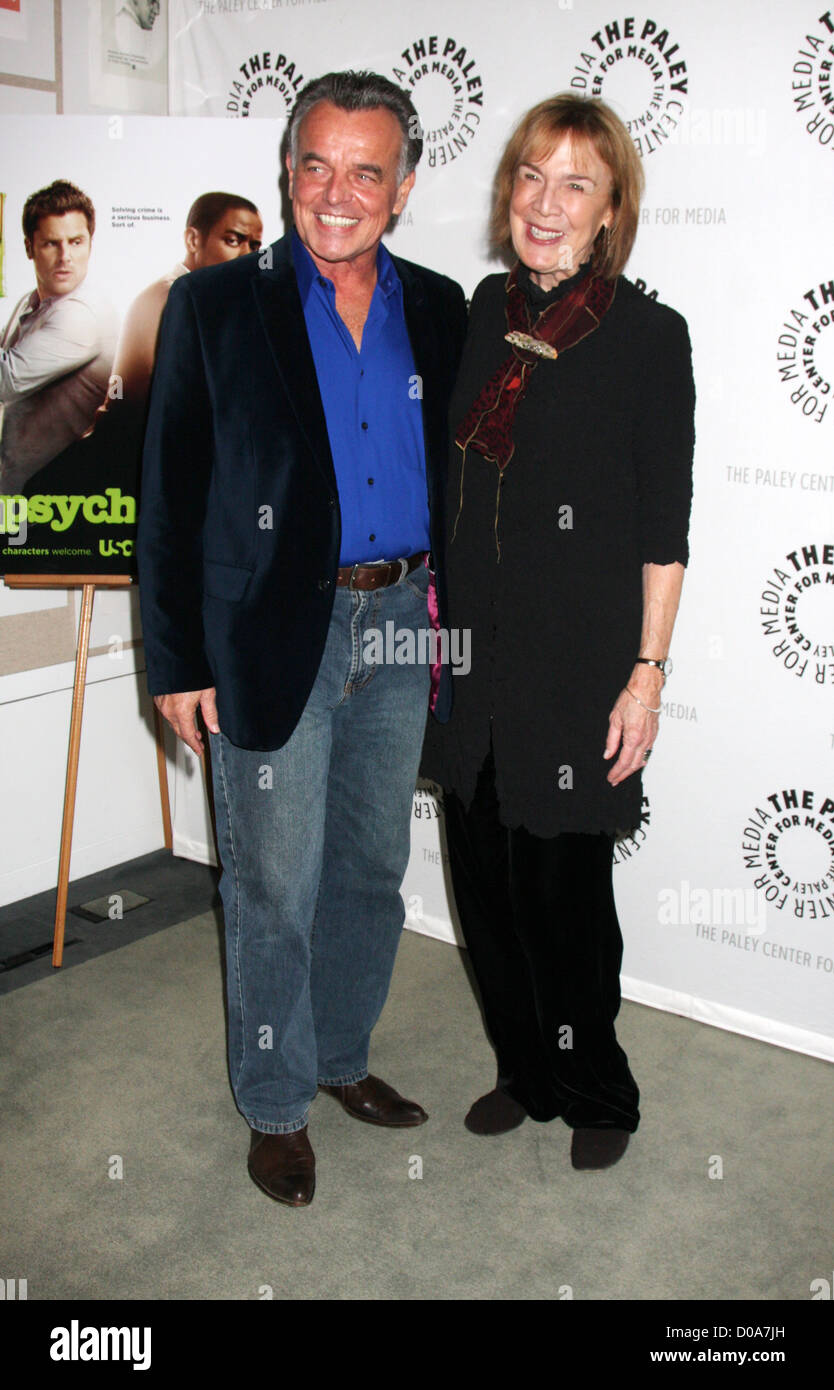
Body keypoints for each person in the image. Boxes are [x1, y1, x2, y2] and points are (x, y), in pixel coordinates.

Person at [137, 70, 467, 1207]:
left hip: (403, 621)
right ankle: (275, 1104)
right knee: (273, 881)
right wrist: (175, 660)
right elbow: (172, 497)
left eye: (365, 170)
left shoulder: (440, 306)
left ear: (404, 186)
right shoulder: (215, 306)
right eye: (316, 163)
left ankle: (337, 1058)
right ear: (288, 170)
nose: (336, 191)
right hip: (276, 628)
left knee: (371, 865)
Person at [422, 93, 695, 1170]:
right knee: (484, 885)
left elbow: (663, 531)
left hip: (579, 673)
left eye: (574, 183)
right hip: (470, 661)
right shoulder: (477, 314)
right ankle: (522, 1071)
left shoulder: (645, 338)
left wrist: (646, 674)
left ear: (609, 208)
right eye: (531, 176)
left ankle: (595, 1089)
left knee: (567, 902)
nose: (546, 202)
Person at [0, 180, 117, 494]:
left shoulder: (82, 313)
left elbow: (4, 380)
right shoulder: (31, 301)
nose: (65, 256)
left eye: (76, 242)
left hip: (59, 496)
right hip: (18, 487)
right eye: (52, 243)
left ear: (90, 243)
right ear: (29, 248)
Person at [108, 192, 263, 412]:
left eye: (255, 247)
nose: (248, 257)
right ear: (193, 240)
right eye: (233, 240)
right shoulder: (171, 299)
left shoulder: (206, 299)